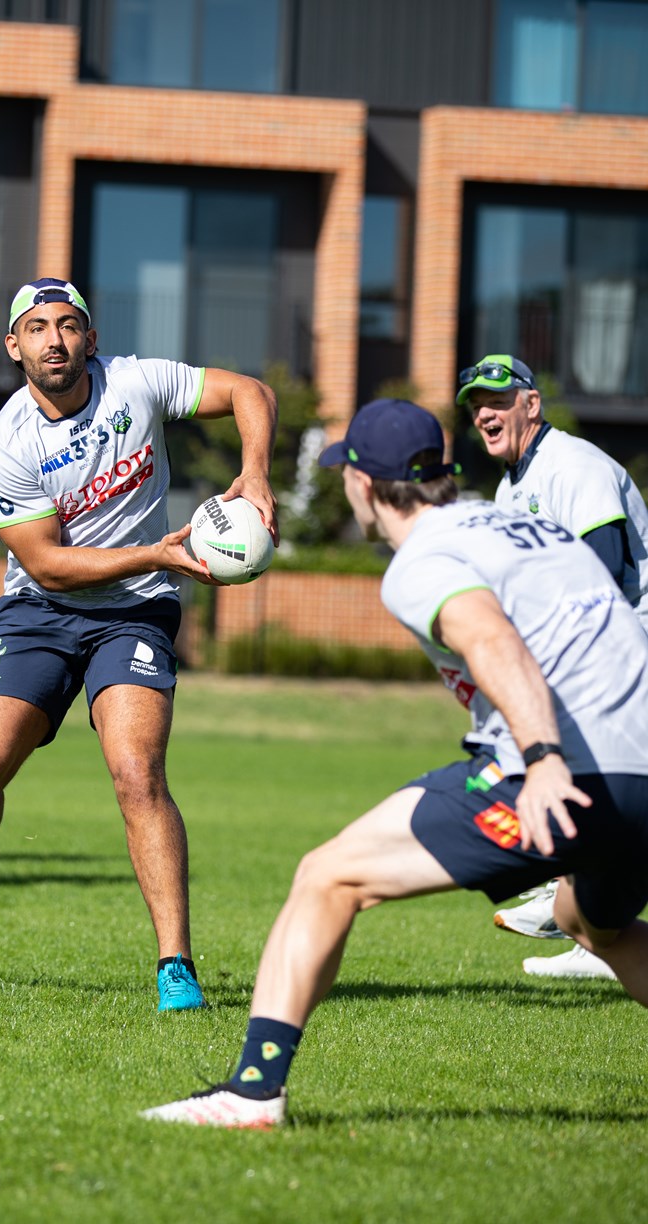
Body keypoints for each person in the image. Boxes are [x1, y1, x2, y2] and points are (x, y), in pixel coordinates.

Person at [143, 397, 648, 1129]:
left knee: (327, 874)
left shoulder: (422, 558)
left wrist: (540, 758)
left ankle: (252, 1093)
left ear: (365, 486)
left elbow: (491, 639)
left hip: (566, 770)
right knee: (593, 923)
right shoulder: (528, 524)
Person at [0, 277, 279, 1011]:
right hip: (39, 611)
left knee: (136, 770)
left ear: (91, 337)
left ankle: (174, 964)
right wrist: (159, 554)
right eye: (38, 328)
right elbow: (47, 563)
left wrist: (256, 471)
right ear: (13, 346)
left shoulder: (136, 384)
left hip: (136, 612)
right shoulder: (5, 445)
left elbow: (250, 391)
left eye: (69, 325)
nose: (55, 339)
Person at [460, 354, 648, 980]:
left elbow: (606, 571)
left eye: (497, 398)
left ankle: (574, 898)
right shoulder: (512, 484)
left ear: (531, 404)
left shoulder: (575, 467)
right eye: (475, 404)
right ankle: (583, 919)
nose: (485, 412)